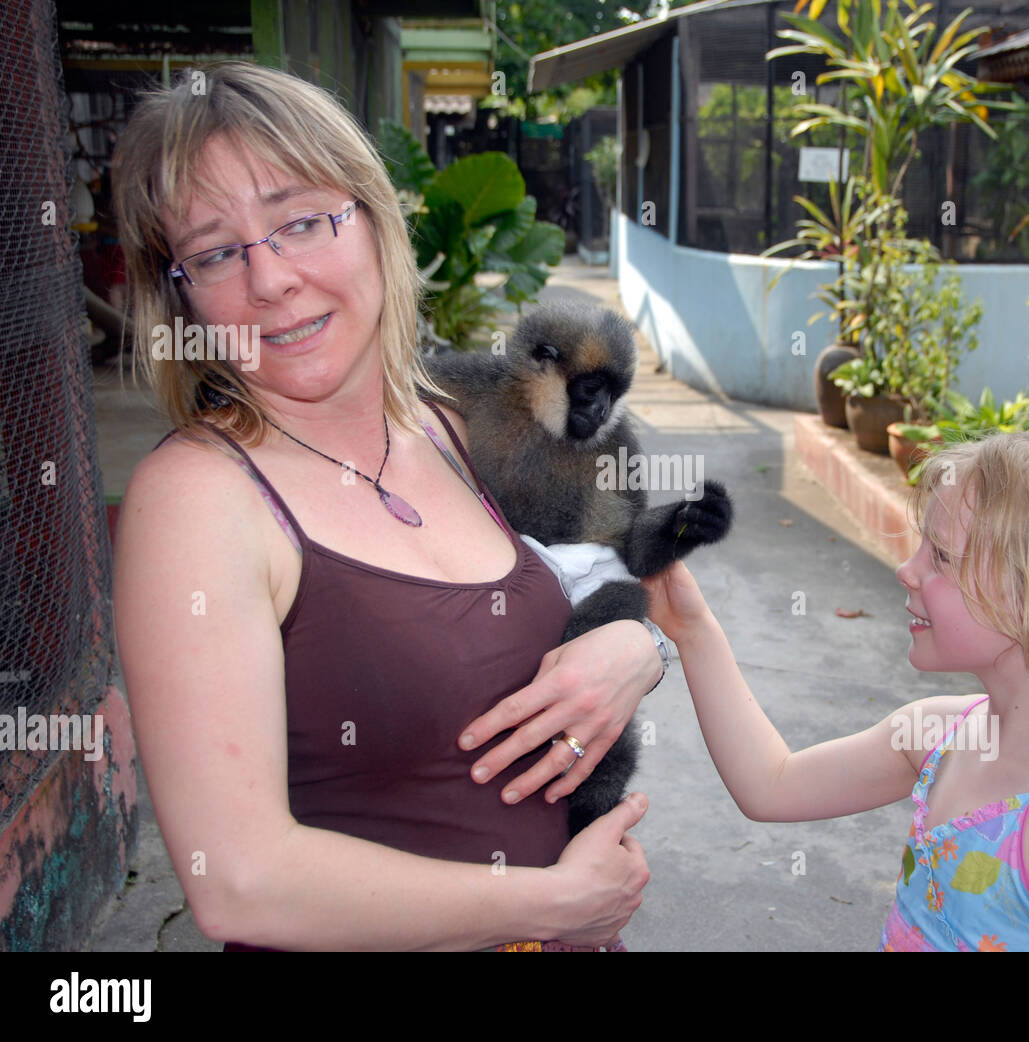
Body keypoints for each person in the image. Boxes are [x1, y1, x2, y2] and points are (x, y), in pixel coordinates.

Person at [110, 62, 657, 951]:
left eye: (300, 221)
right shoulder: (199, 499)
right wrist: (556, 904)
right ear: (183, 297)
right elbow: (241, 885)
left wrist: (639, 647)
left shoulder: (456, 423)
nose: (271, 279)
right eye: (215, 252)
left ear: (372, 220)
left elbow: (630, 557)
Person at [643, 428, 1029, 951]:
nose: (907, 570)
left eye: (942, 558)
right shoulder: (939, 732)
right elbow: (772, 785)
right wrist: (693, 630)